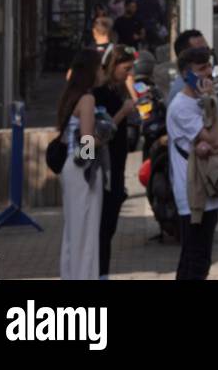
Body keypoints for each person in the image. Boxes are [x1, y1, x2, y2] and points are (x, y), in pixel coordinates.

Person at [166, 45, 218, 280]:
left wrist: (213, 143)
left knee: (202, 257)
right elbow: (217, 137)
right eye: (201, 68)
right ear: (187, 74)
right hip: (192, 190)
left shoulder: (203, 103)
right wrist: (211, 103)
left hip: (210, 188)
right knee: (194, 258)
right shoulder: (180, 107)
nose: (207, 74)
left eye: (208, 67)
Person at [56, 50, 105, 281]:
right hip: (83, 169)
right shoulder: (87, 99)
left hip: (70, 166)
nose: (103, 72)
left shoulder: (71, 96)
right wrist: (103, 136)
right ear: (92, 71)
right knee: (86, 232)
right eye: (100, 67)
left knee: (73, 230)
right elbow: (86, 144)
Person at [93, 44, 138, 279]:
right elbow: (95, 138)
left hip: (113, 169)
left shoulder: (116, 92)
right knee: (100, 229)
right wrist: (122, 113)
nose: (128, 75)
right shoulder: (97, 96)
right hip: (99, 171)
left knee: (107, 228)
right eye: (126, 69)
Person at [167, 30, 210, 105]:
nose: (209, 71)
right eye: (200, 52)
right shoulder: (181, 93)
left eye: (207, 50)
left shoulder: (201, 85)